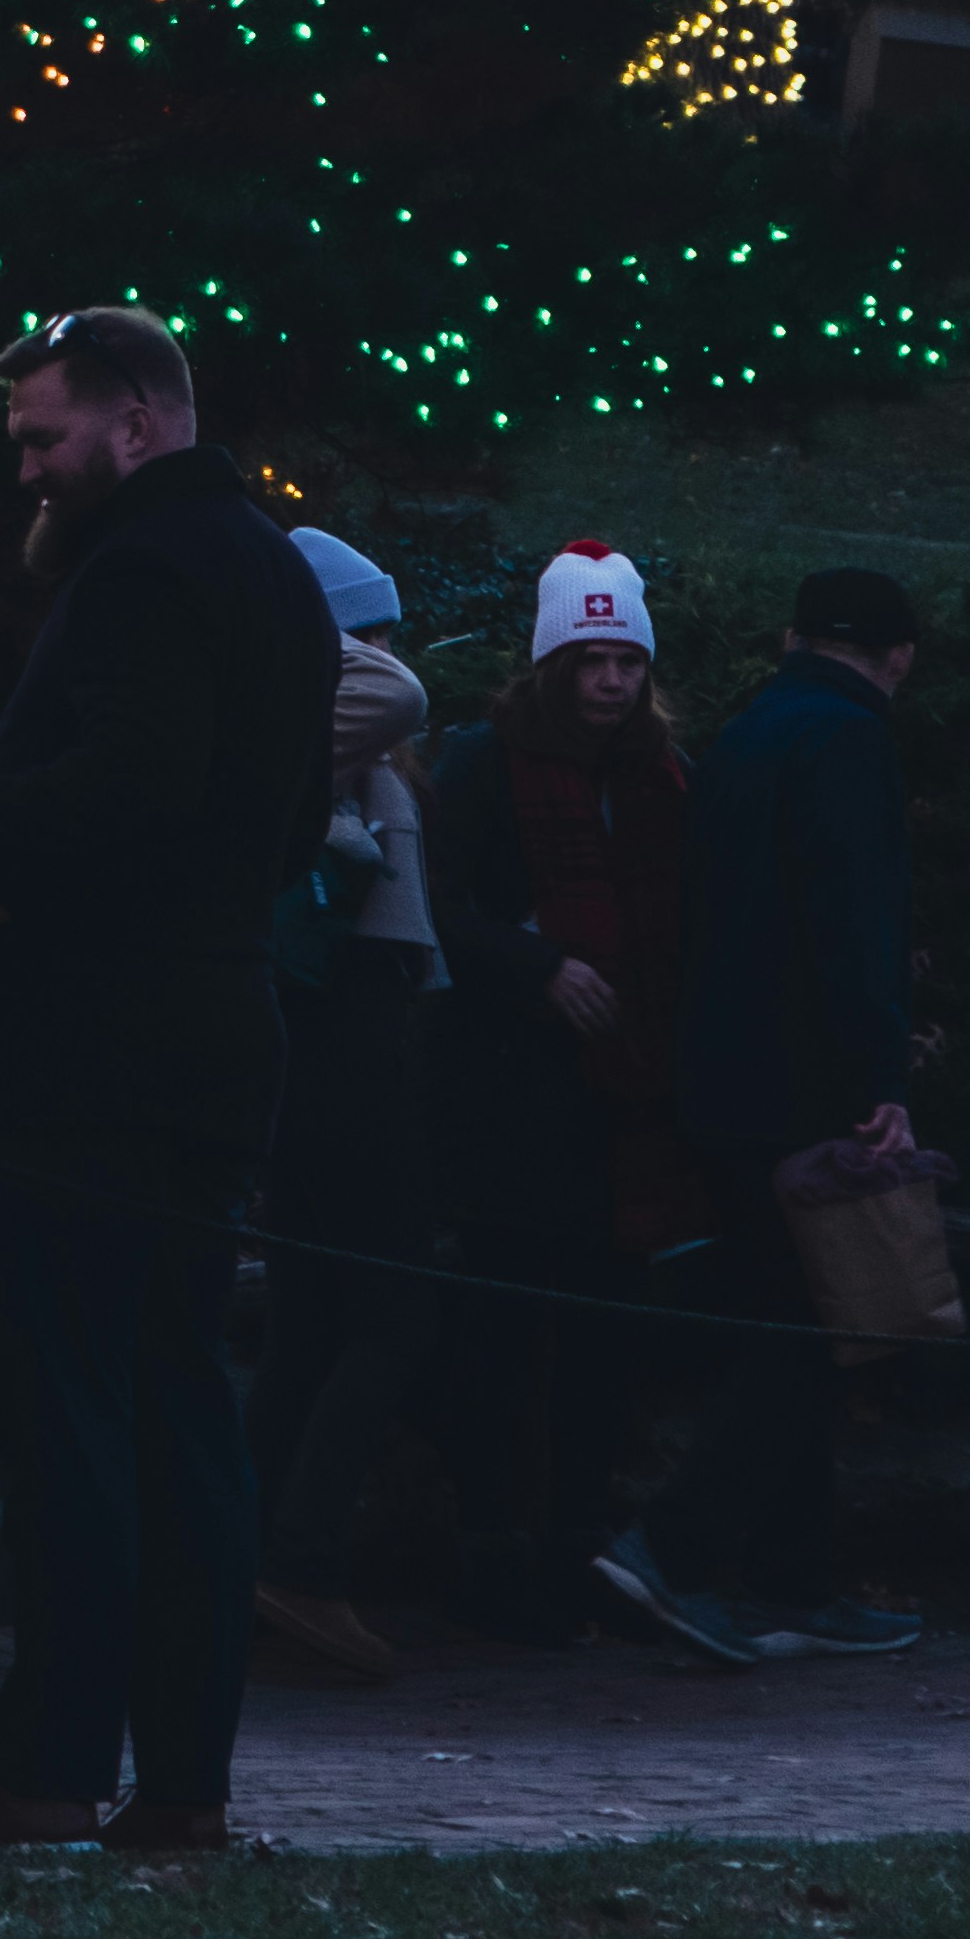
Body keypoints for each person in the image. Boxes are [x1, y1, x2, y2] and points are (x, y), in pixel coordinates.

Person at [0, 304, 333, 1855]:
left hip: (80, 1057)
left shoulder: (143, 570)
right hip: (212, 1033)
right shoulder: (275, 571)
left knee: (70, 1418)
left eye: (45, 435)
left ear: (136, 423)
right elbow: (288, 826)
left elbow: (135, 776)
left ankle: (49, 1768)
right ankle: (181, 1781)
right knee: (179, 1412)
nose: (26, 466)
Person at [605, 565, 935, 1668]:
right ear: (899, 655)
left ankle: (793, 1577)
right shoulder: (851, 743)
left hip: (717, 1074)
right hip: (801, 1084)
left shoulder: (746, 735)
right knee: (810, 1324)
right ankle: (675, 1544)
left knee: (784, 1315)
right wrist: (879, 1077)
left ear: (795, 639)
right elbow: (853, 917)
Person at [420, 545, 695, 1647]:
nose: (612, 680)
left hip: (625, 1101)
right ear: (553, 662)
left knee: (601, 1344)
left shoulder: (664, 777)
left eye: (628, 658)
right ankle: (493, 1550)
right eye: (592, 658)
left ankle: (579, 1548)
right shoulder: (484, 764)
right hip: (513, 1096)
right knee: (498, 1337)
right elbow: (441, 904)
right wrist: (536, 967)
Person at [242, 525, 441, 1686]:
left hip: (334, 1036)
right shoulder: (309, 735)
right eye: (364, 632)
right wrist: (307, 632)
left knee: (313, 1318)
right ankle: (301, 1556)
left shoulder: (349, 751)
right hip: (340, 1041)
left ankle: (242, 1546)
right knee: (393, 1309)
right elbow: (393, 691)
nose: (386, 652)